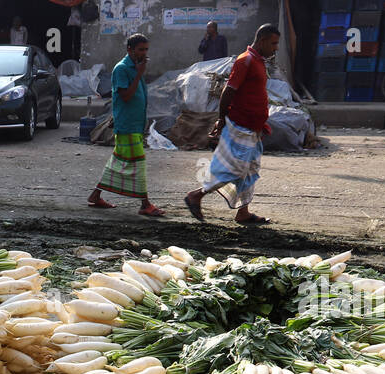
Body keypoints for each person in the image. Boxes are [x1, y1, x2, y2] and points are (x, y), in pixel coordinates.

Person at [185, 23, 279, 225]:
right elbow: (229, 91)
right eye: (273, 43)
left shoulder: (258, 61)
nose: (275, 48)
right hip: (241, 125)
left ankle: (243, 212)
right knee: (235, 168)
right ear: (262, 41)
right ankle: (196, 195)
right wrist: (221, 119)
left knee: (250, 169)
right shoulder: (245, 61)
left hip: (253, 127)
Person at [87, 33, 165, 217]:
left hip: (134, 124)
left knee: (118, 162)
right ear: (129, 50)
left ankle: (95, 195)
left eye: (146, 50)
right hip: (127, 125)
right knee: (137, 164)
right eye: (140, 50)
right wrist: (139, 74)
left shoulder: (135, 67)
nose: (144, 53)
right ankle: (145, 204)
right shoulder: (122, 69)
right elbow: (126, 96)